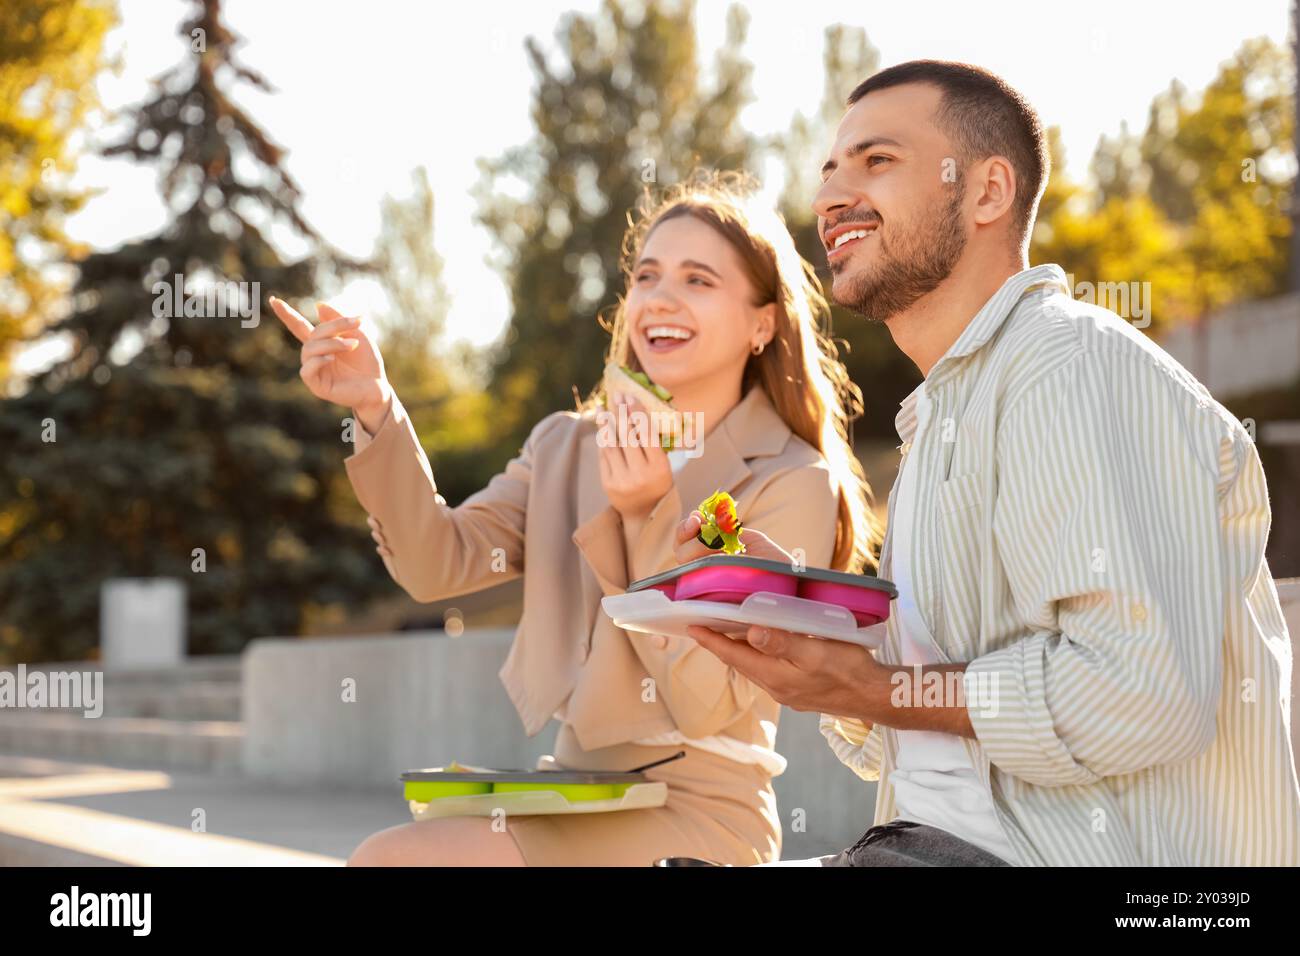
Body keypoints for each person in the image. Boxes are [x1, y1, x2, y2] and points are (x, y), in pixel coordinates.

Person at [676, 60, 1300, 866]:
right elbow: (920, 725)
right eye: (829, 170)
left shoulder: (1068, 364)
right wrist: (805, 622)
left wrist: (876, 689)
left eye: (877, 160)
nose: (831, 197)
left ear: (987, 192)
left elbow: (1144, 695)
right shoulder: (941, 419)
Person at [269, 170, 882, 866]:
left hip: (703, 814)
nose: (660, 298)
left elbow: (709, 703)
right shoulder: (566, 447)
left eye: (697, 280)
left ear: (762, 323)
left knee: (396, 860)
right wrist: (376, 408)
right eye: (647, 276)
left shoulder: (791, 478)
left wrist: (652, 513)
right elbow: (436, 563)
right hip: (573, 791)